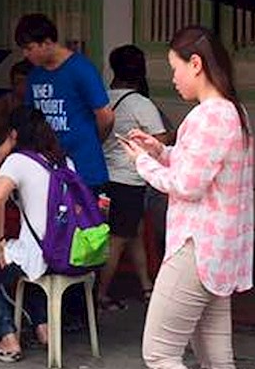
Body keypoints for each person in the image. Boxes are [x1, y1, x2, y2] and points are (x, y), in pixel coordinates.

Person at [116, 26, 255, 369]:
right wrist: (160, 149)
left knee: (160, 353)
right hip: (219, 251)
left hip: (196, 248)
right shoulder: (233, 111)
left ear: (195, 64)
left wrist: (142, 162)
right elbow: (200, 166)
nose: (173, 78)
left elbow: (187, 185)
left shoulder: (208, 115)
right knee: (216, 359)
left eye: (174, 68)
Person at [0, 106, 61, 363]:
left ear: (14, 134)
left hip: (39, 254)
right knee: (31, 265)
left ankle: (8, 339)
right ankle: (44, 329)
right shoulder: (62, 159)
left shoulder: (18, 161)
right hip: (65, 252)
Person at [97, 45, 168, 311]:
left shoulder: (102, 99)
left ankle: (146, 285)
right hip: (129, 181)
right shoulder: (141, 104)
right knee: (117, 239)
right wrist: (175, 136)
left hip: (105, 178)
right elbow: (158, 143)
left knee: (134, 232)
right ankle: (101, 294)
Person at [14, 14, 113, 190]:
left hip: (85, 171)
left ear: (46, 42)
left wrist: (89, 140)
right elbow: (28, 120)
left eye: (29, 48)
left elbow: (105, 116)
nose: (25, 54)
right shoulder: (35, 75)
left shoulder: (81, 69)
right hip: (47, 169)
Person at [0, 60, 32, 142]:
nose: (23, 86)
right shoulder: (2, 104)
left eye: (27, 82)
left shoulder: (40, 101)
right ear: (12, 83)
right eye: (19, 82)